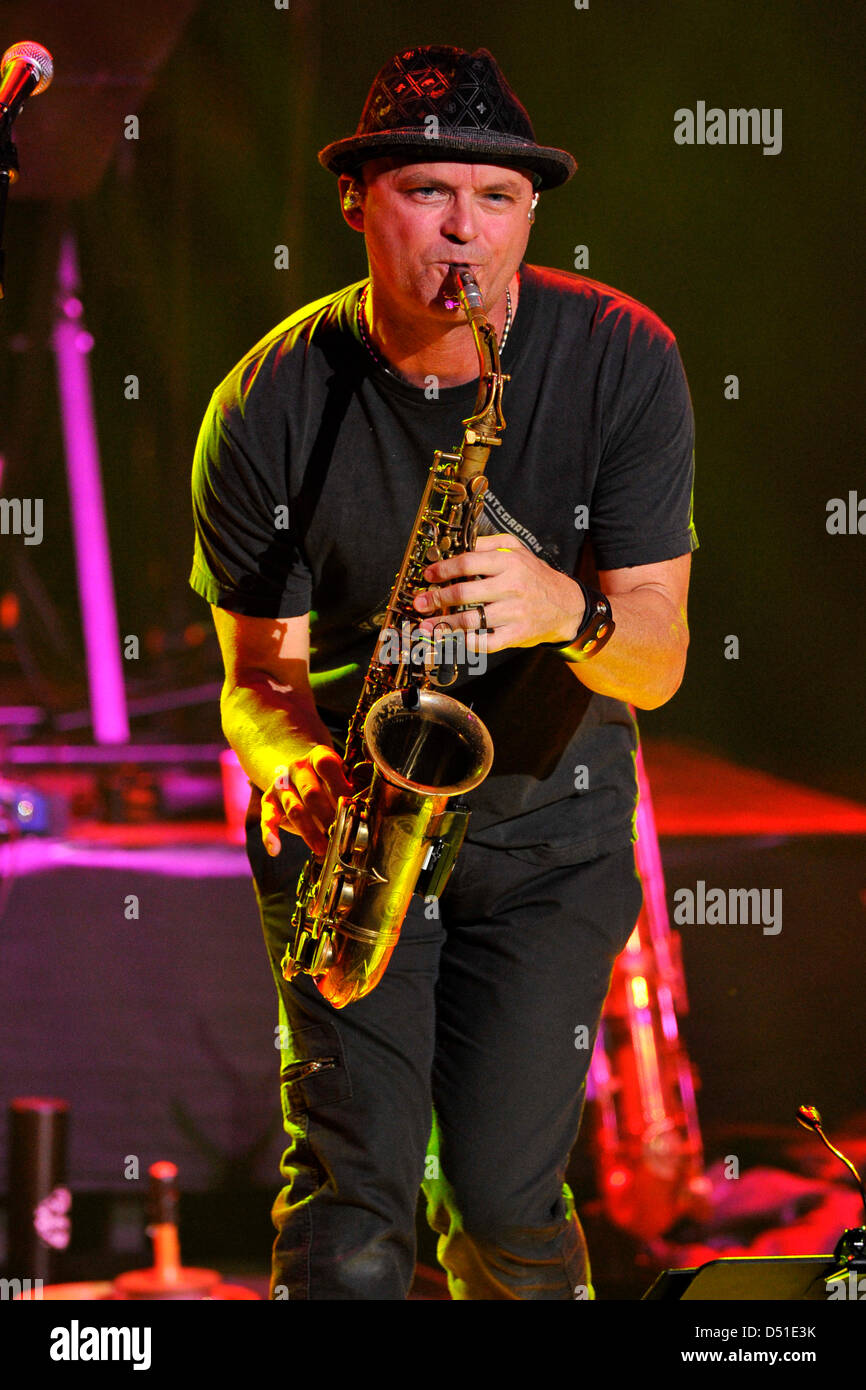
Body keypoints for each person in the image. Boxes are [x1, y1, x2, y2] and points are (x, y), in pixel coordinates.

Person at [189, 44, 697, 1300]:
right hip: (358, 828)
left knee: (503, 1197)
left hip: (550, 830)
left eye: (498, 198)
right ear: (359, 201)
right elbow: (256, 680)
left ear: (532, 213)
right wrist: (285, 759)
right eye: (428, 193)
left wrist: (560, 609)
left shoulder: (621, 356)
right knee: (354, 1192)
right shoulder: (265, 399)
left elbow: (659, 661)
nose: (464, 232)